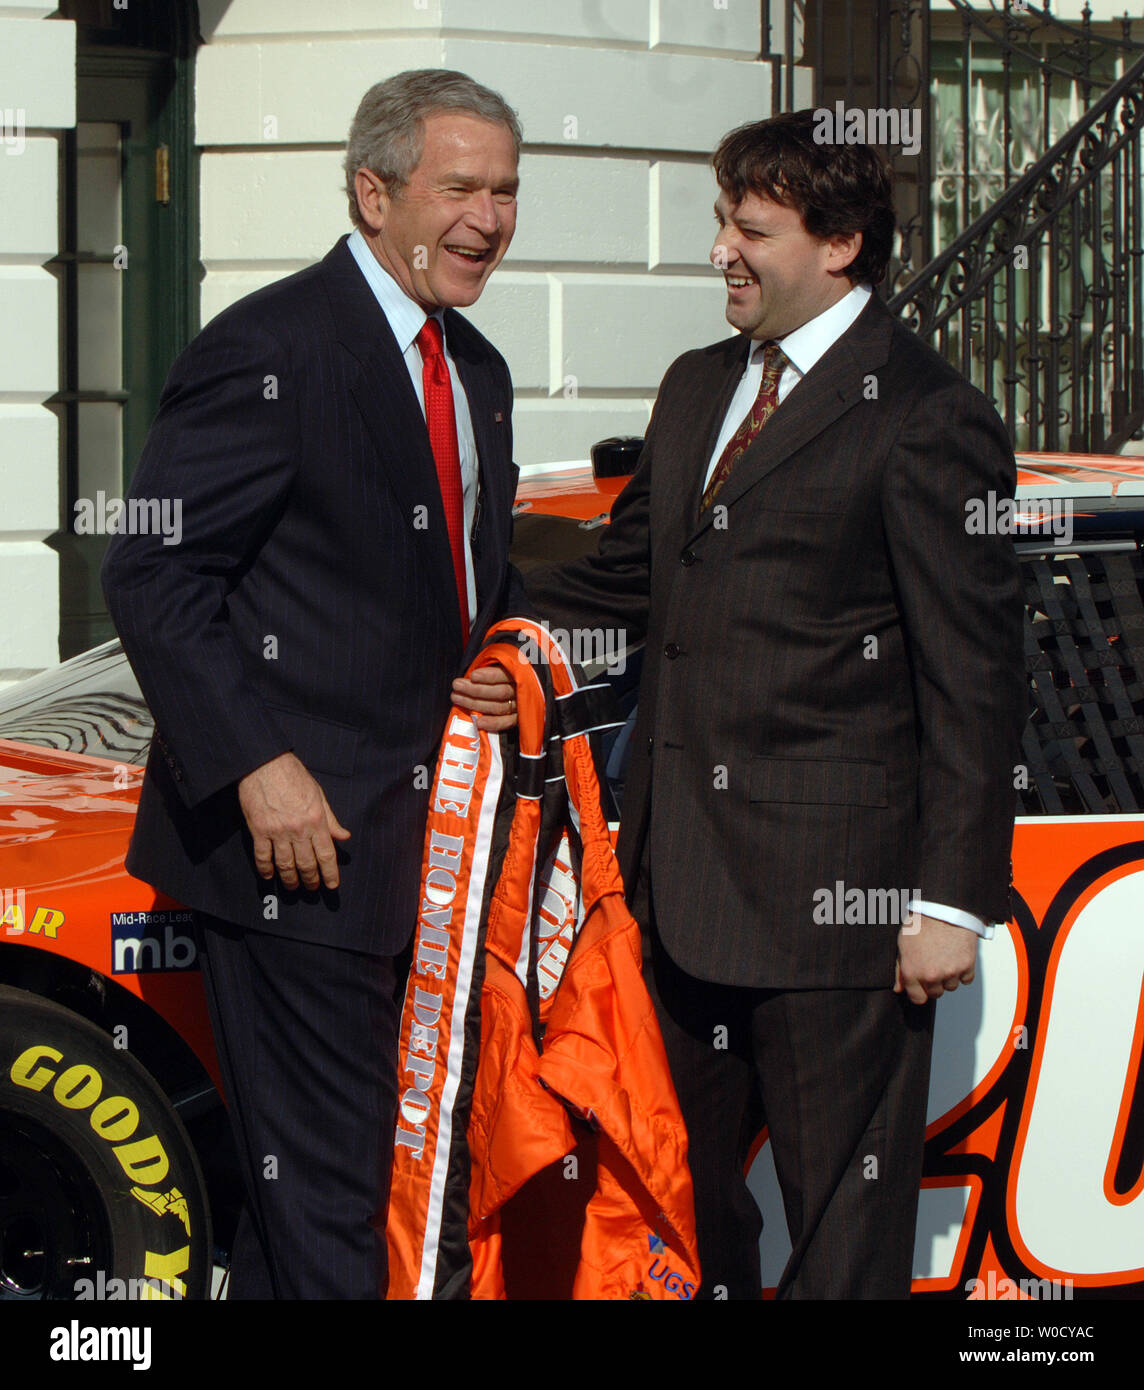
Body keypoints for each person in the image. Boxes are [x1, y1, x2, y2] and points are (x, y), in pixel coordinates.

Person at [524, 110, 1027, 1299]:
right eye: (720, 222)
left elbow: (976, 675)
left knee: (841, 1239)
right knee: (674, 1212)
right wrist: (437, 588)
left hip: (837, 911)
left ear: (841, 242)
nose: (720, 252)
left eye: (751, 228)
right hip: (672, 895)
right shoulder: (699, 385)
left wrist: (950, 897)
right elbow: (627, 575)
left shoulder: (925, 413)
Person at [102, 68, 525, 1299]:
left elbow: (445, 590)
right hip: (301, 855)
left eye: (505, 191)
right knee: (342, 1205)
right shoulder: (270, 344)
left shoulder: (477, 366)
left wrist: (499, 664)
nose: (489, 219)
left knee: (357, 1204)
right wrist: (254, 765)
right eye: (461, 188)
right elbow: (155, 569)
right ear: (373, 190)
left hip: (429, 863)